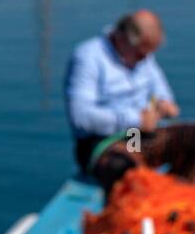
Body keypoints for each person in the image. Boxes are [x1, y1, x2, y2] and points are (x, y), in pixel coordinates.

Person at [65, 10, 182, 189]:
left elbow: (159, 87)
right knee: (128, 169)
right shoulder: (88, 57)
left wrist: (164, 103)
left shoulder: (143, 55)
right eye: (141, 54)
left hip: (136, 135)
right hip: (103, 140)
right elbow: (81, 117)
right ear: (123, 39)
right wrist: (137, 119)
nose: (144, 58)